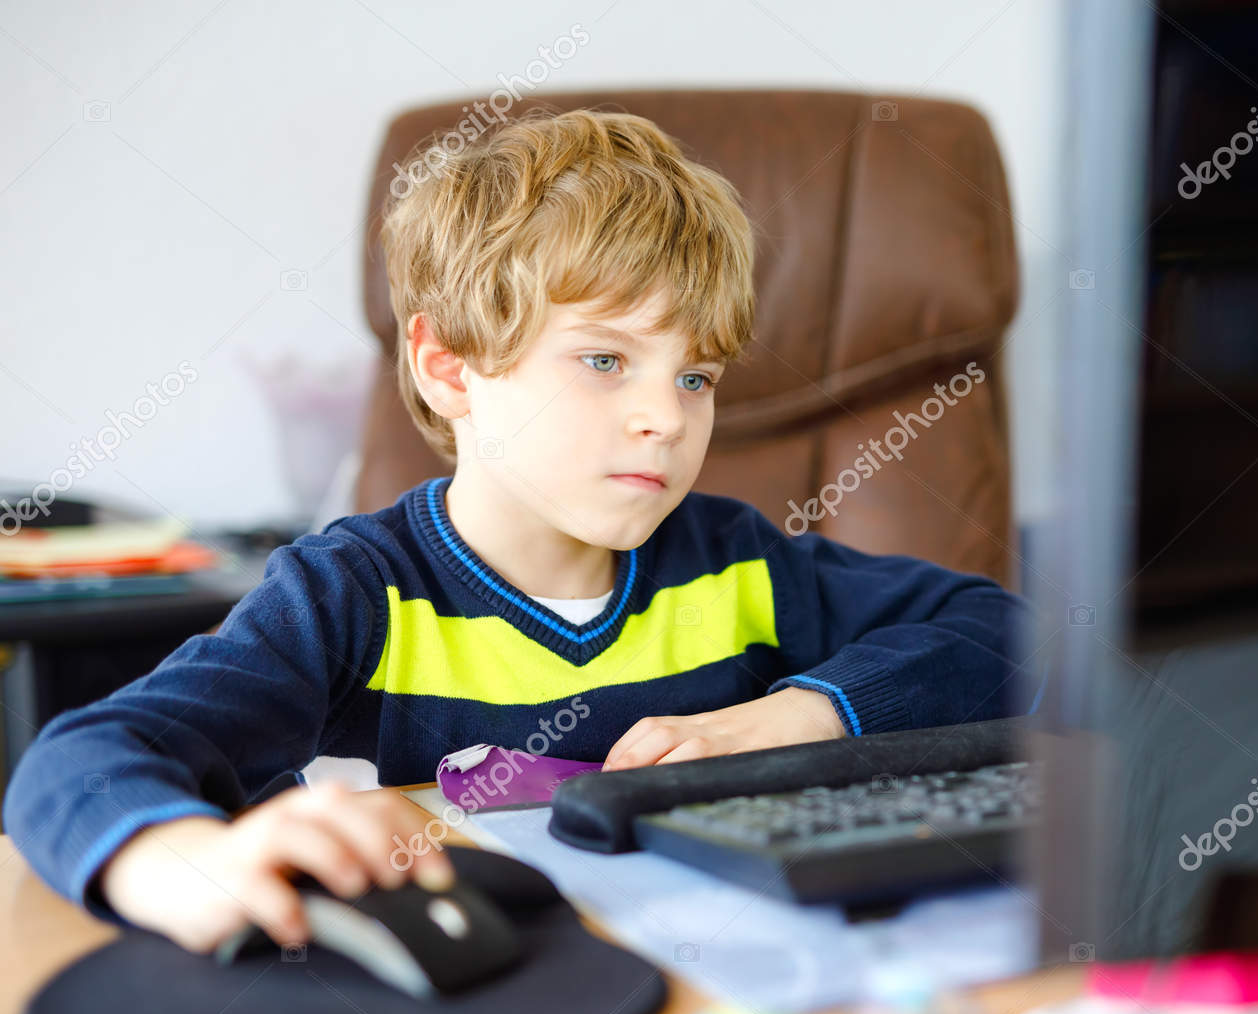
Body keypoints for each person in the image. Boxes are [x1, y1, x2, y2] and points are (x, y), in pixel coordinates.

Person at [3, 109, 1032, 956]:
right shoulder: (352, 593)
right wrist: (186, 865)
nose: (666, 417)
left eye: (696, 377)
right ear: (450, 367)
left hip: (722, 975)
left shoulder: (739, 564)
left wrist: (789, 717)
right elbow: (83, 757)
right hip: (489, 993)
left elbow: (1007, 630)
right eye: (602, 361)